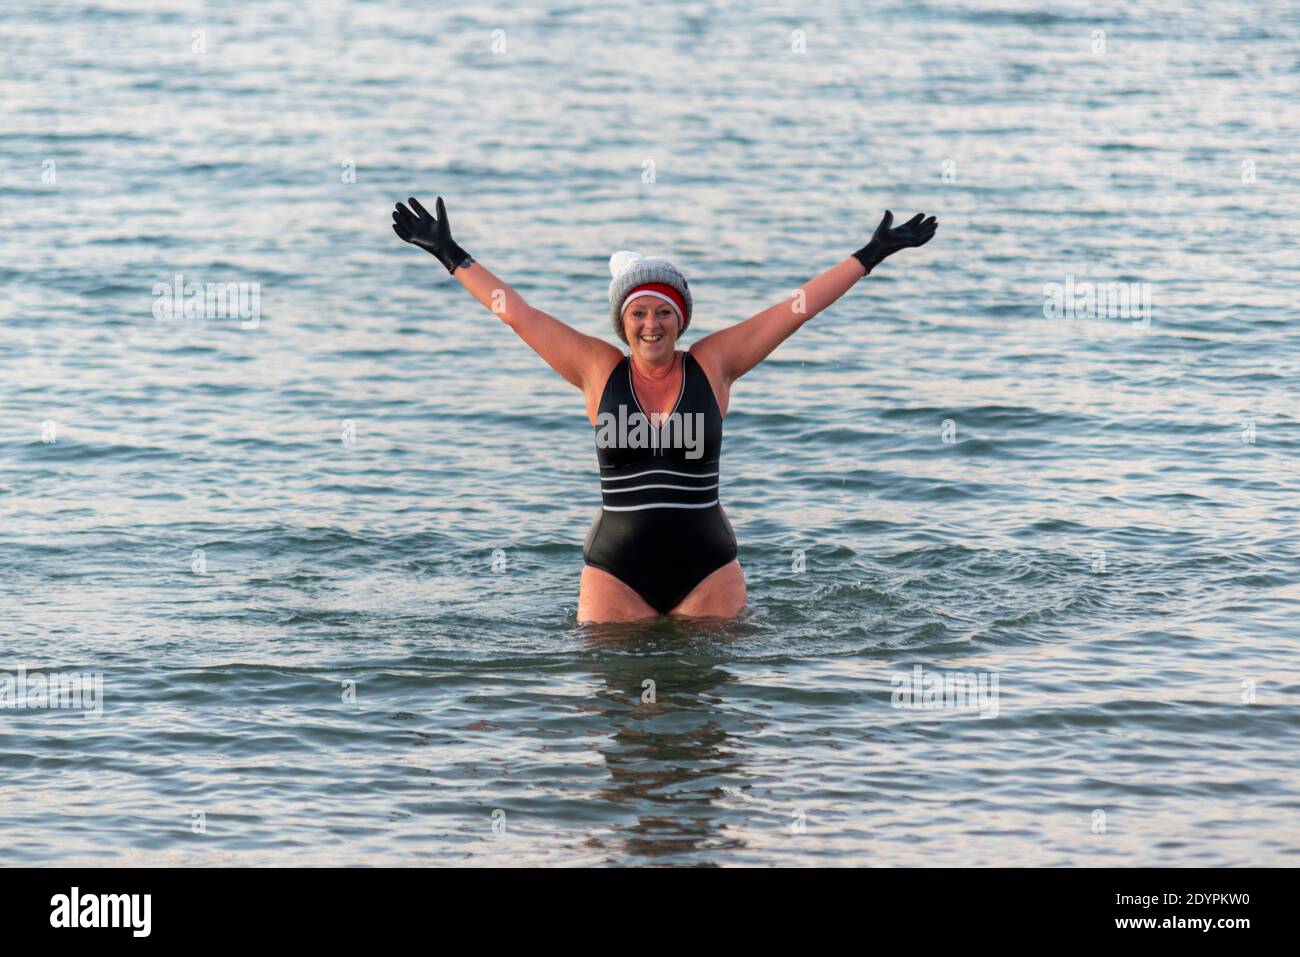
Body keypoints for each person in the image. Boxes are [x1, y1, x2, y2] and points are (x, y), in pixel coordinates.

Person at [392, 196, 937, 622]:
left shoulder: (714, 364)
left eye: (663, 313)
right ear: (622, 323)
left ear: (681, 320)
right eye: (639, 314)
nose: (651, 324)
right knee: (616, 733)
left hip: (708, 574)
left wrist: (871, 255)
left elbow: (796, 309)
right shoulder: (598, 368)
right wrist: (450, 254)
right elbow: (518, 313)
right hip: (615, 575)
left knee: (706, 731)